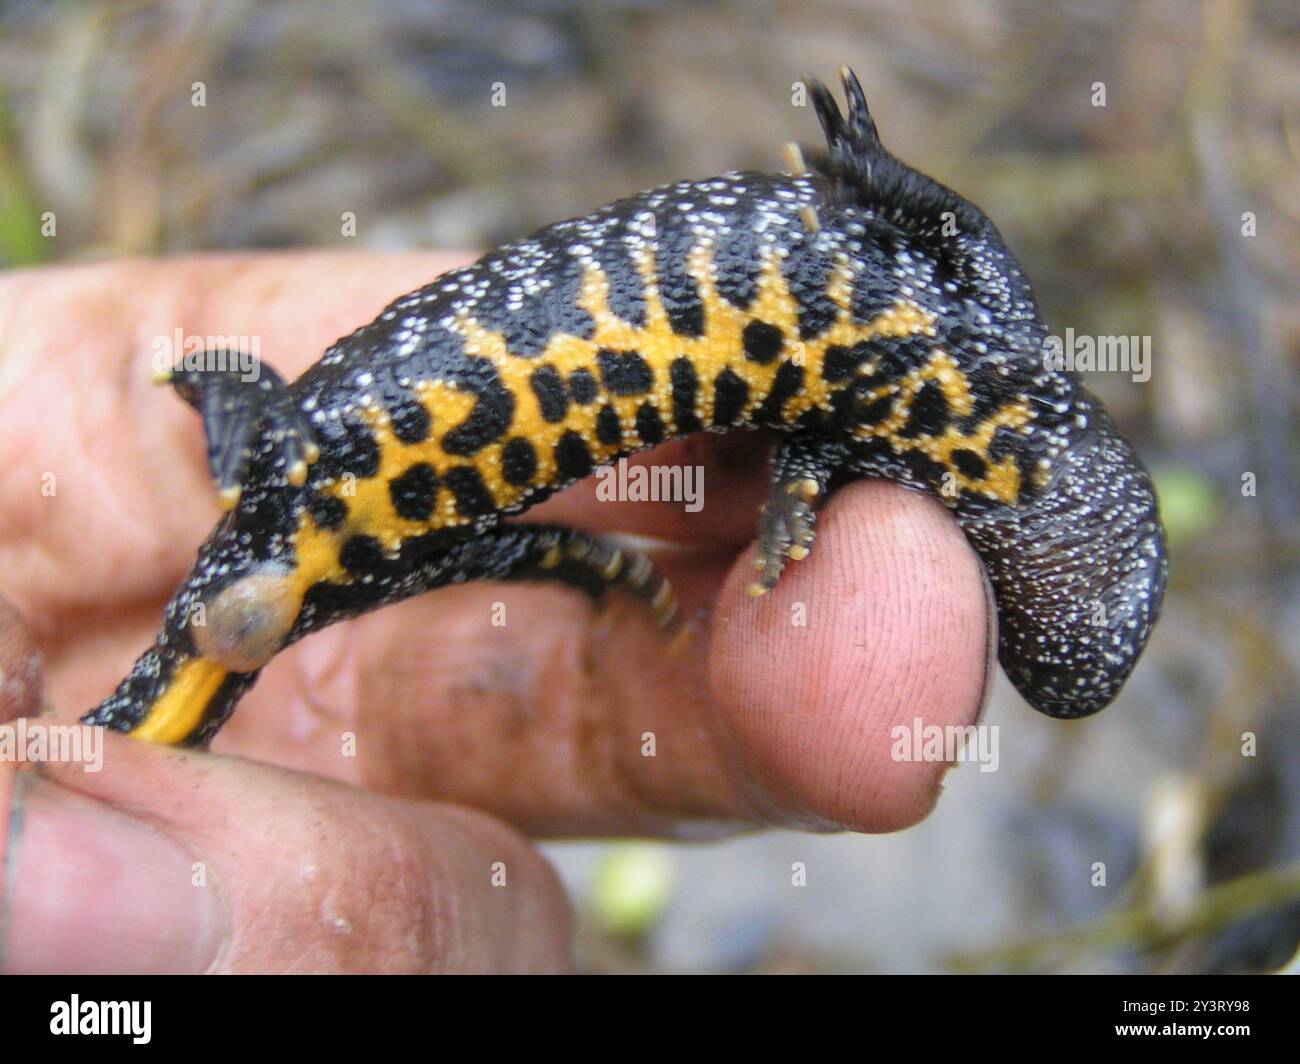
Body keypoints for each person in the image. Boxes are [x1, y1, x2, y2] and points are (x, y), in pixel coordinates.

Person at [0, 252, 996, 973]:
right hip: (350, 494)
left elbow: (500, 544)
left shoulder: (331, 535)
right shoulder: (289, 510)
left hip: (384, 500)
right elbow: (258, 403)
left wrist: (585, 561)